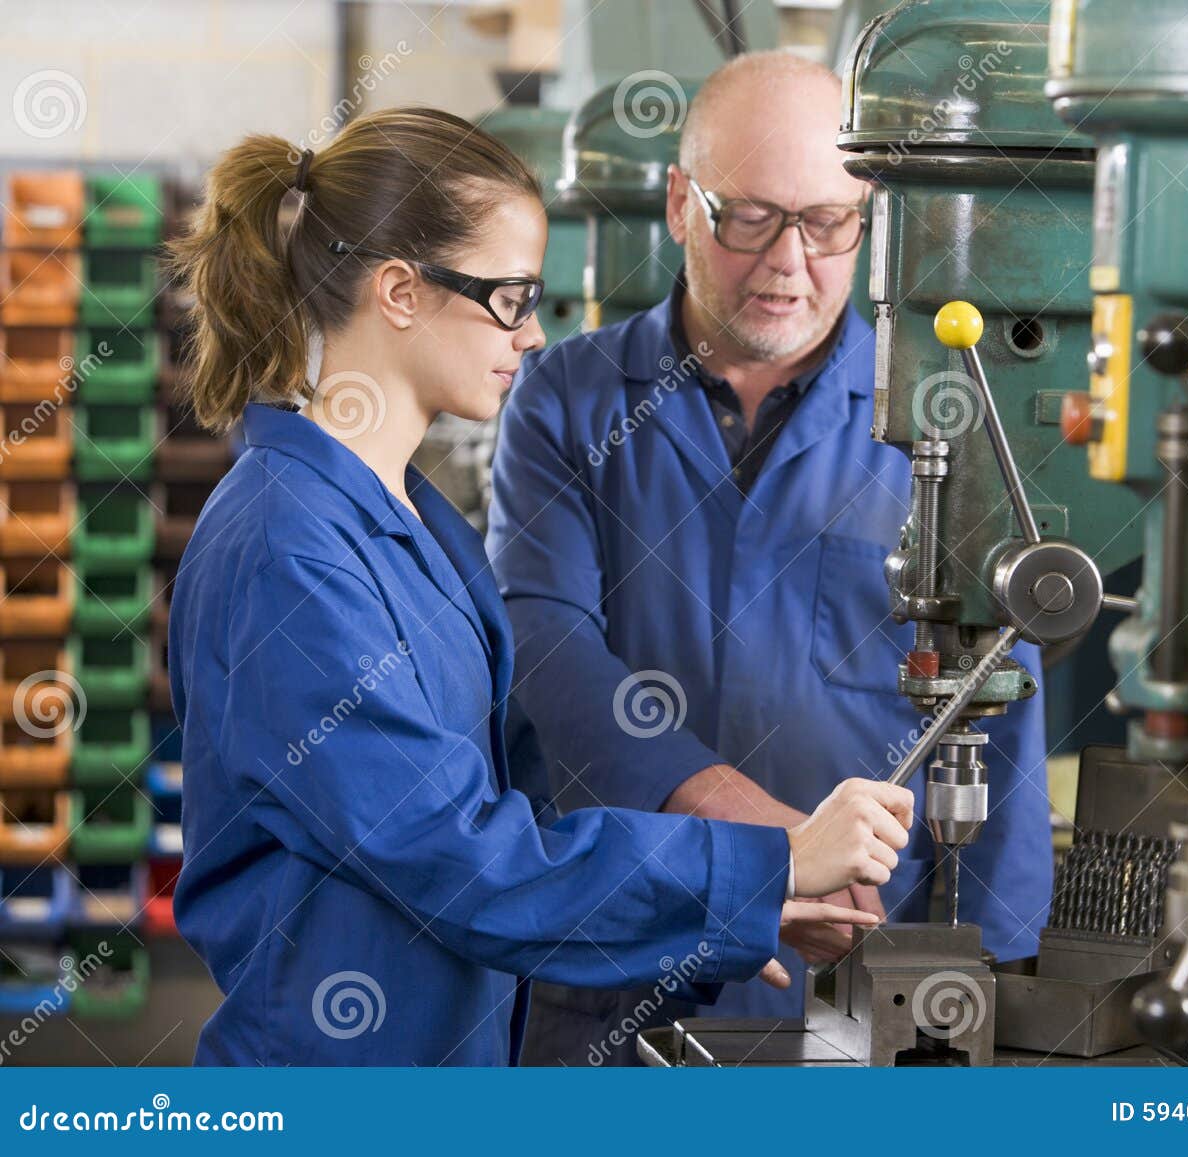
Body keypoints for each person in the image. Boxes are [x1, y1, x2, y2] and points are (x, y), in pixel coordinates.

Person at [163, 106, 914, 1066]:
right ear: (400, 291)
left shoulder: (418, 525)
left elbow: (520, 825)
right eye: (510, 297)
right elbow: (462, 859)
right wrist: (771, 861)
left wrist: (736, 909)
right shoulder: (289, 550)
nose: (528, 335)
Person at [487, 53, 1052, 1065]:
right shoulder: (567, 399)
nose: (789, 261)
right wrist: (769, 844)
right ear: (678, 202)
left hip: (866, 970)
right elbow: (545, 646)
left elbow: (1003, 692)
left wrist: (998, 976)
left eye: (827, 222)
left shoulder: (947, 410)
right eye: (747, 217)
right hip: (619, 951)